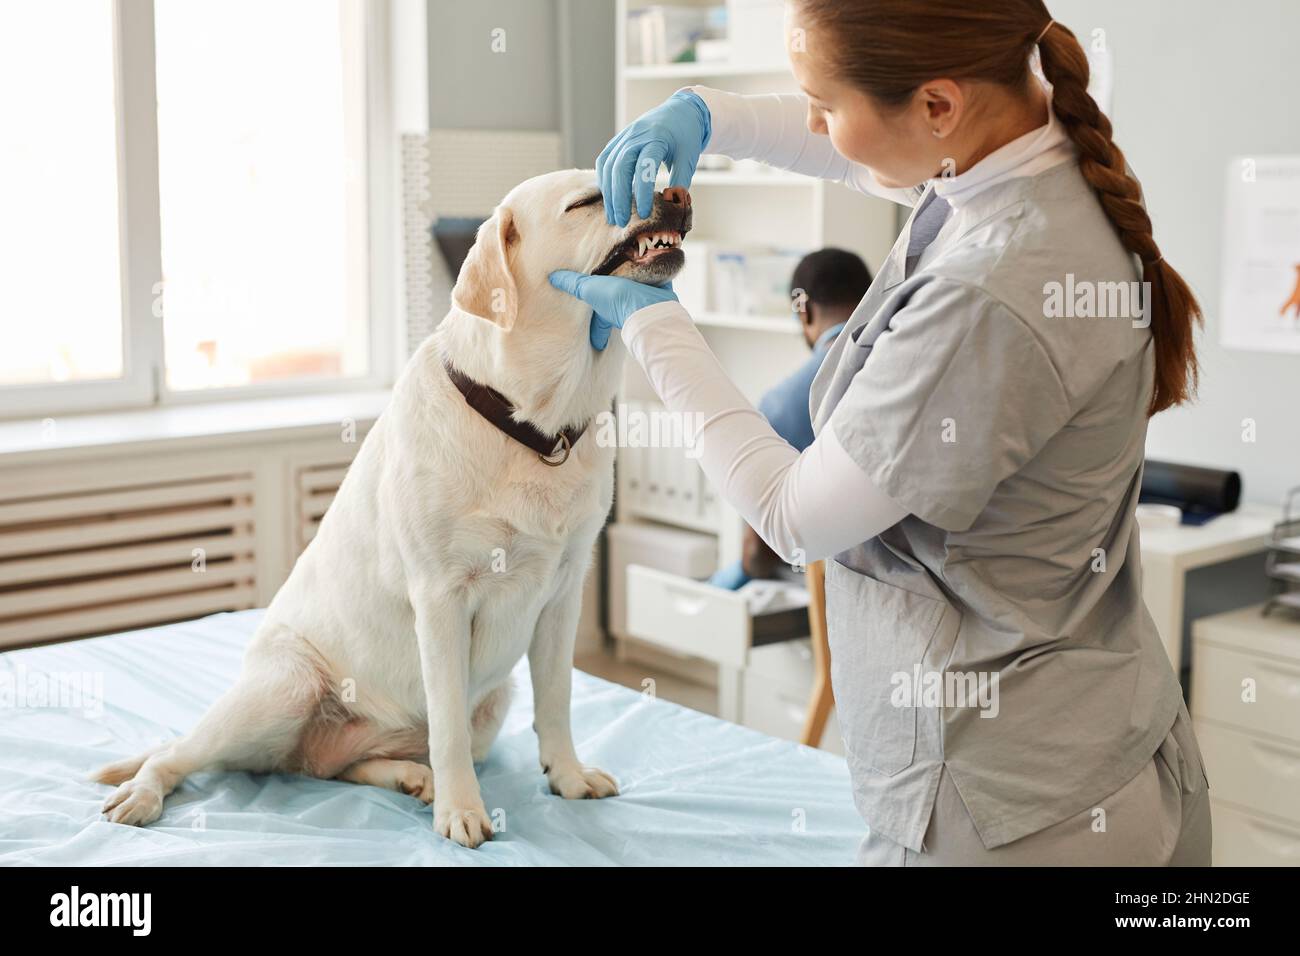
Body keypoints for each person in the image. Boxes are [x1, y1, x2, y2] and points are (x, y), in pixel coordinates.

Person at [550, 0, 1210, 865]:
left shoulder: (987, 295)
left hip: (1008, 808)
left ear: (938, 104)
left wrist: (653, 323)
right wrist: (707, 116)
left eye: (824, 99)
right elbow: (862, 155)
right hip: (1112, 752)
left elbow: (791, 516)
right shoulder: (1023, 158)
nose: (816, 121)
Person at [710, 249, 871, 589]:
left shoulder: (781, 404)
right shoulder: (902, 368)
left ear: (805, 309)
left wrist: (739, 573)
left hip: (820, 591)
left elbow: (760, 552)